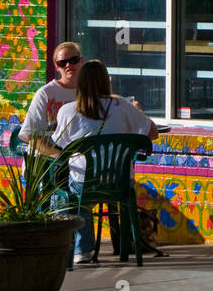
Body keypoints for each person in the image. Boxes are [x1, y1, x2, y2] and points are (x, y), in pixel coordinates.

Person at [52, 60, 159, 265]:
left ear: (80, 83)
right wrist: (138, 112)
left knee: (61, 189)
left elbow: (60, 147)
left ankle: (80, 250)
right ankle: (126, 247)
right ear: (106, 81)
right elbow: (152, 133)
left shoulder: (68, 110)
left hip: (85, 185)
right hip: (119, 183)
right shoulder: (123, 106)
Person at [18, 41, 84, 154]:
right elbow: (32, 135)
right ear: (56, 66)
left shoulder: (89, 91)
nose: (68, 65)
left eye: (73, 60)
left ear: (81, 61)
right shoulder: (45, 93)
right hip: (46, 161)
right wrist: (58, 156)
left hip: (78, 159)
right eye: (62, 63)